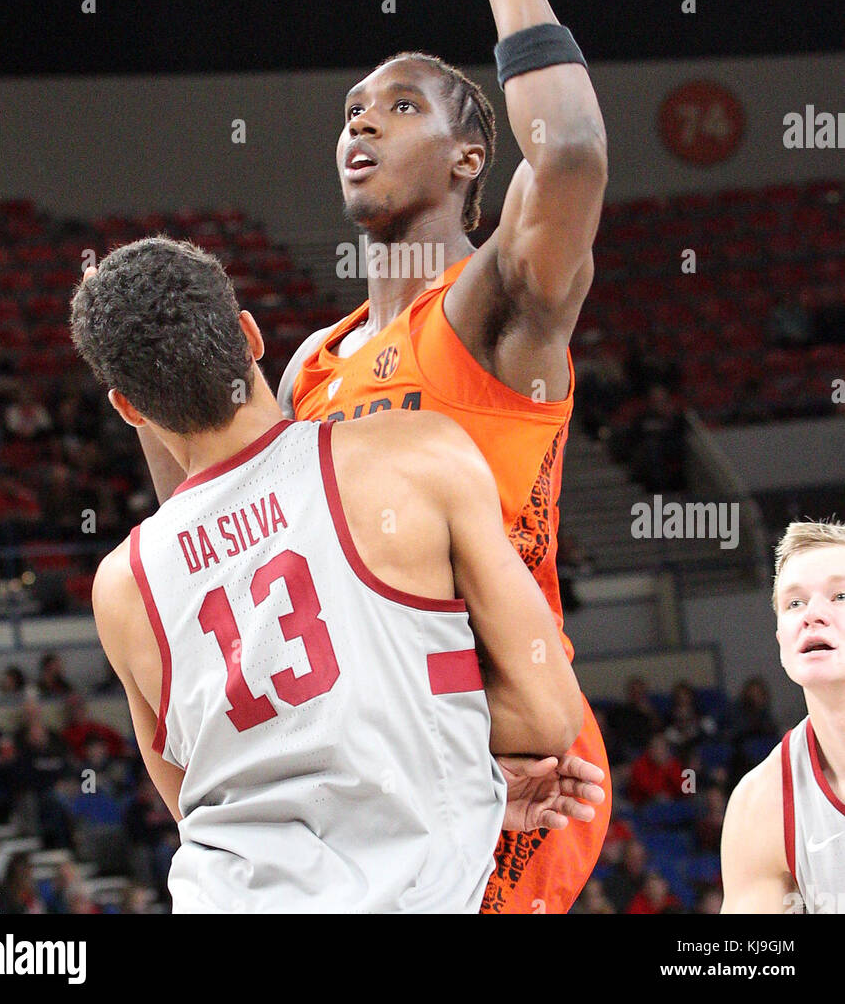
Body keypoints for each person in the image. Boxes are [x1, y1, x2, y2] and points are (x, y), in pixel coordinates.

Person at [140, 0, 611, 914]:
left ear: (468, 156)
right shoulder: (309, 362)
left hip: (517, 732)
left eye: (400, 107)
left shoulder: (490, 308)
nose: (360, 125)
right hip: (372, 743)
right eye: (353, 110)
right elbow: (203, 512)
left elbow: (571, 152)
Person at [72, 237, 605, 914]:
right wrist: (438, 763)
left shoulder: (121, 586)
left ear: (128, 408)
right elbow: (548, 713)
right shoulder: (411, 454)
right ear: (251, 334)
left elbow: (200, 798)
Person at [721, 520, 845, 913]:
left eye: (840, 595)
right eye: (795, 603)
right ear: (781, 640)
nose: (813, 614)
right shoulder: (762, 803)